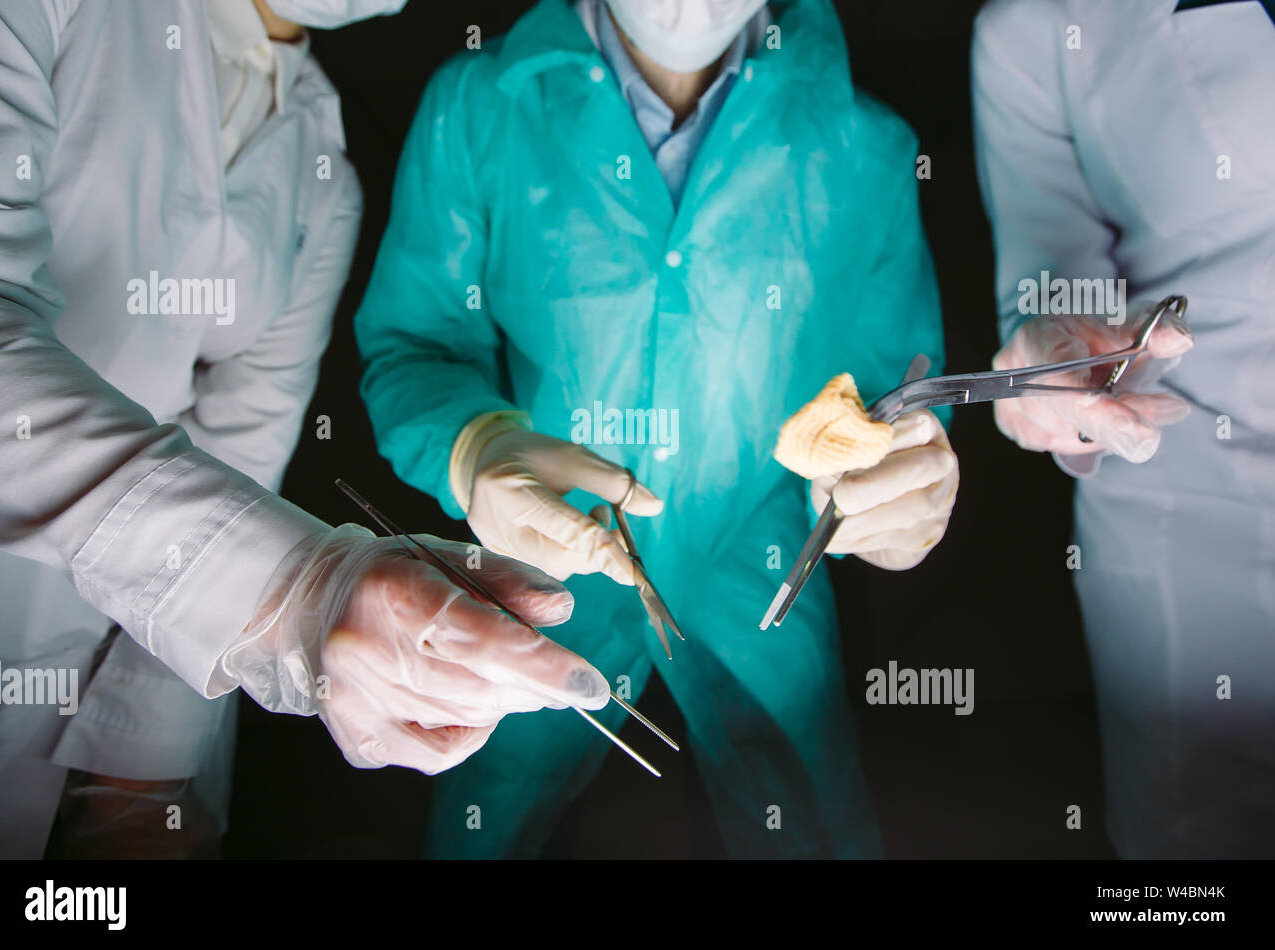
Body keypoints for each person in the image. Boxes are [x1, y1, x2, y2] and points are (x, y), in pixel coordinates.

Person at [0, 0, 608, 860]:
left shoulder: (324, 180)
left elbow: (238, 454)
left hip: (94, 653)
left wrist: (141, 777)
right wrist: (291, 591)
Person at [356, 0, 960, 858]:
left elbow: (897, 400)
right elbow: (414, 342)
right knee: (483, 814)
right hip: (548, 546)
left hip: (761, 564)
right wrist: (472, 445)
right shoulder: (480, 108)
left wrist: (899, 498)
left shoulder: (865, 153)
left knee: (811, 825)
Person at [972, 0, 1275, 857]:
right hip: (1187, 492)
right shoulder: (1034, 34)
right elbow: (1052, 293)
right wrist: (1050, 364)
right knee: (1194, 867)